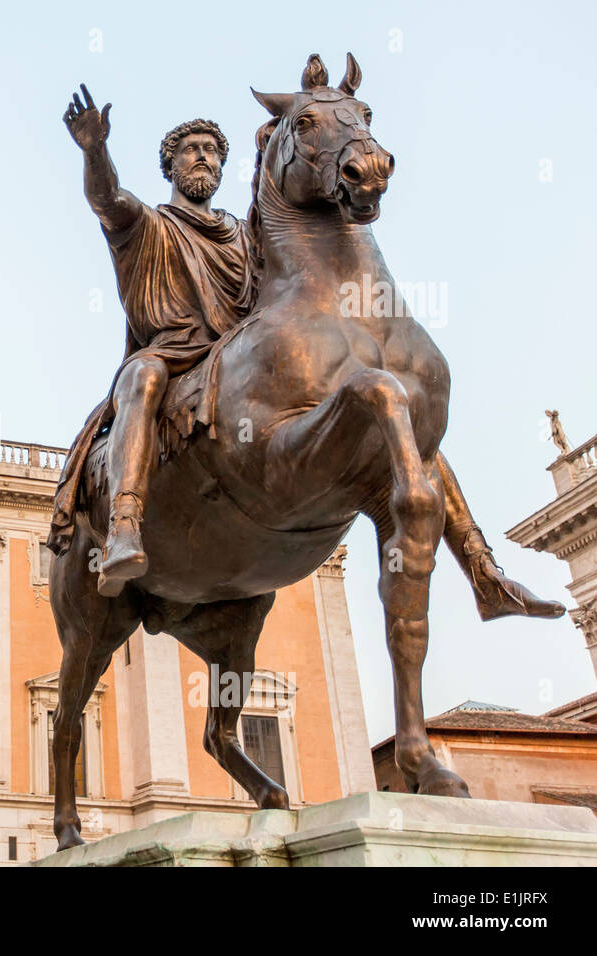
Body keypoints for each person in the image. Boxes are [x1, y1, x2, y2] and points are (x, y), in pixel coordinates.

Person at [51, 84, 563, 621]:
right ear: (170, 165)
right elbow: (107, 200)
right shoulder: (150, 224)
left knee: (405, 421)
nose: (203, 157)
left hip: (251, 354)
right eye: (191, 149)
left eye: (212, 150)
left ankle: (483, 570)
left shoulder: (244, 235)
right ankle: (125, 526)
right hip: (178, 350)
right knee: (140, 379)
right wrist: (94, 150)